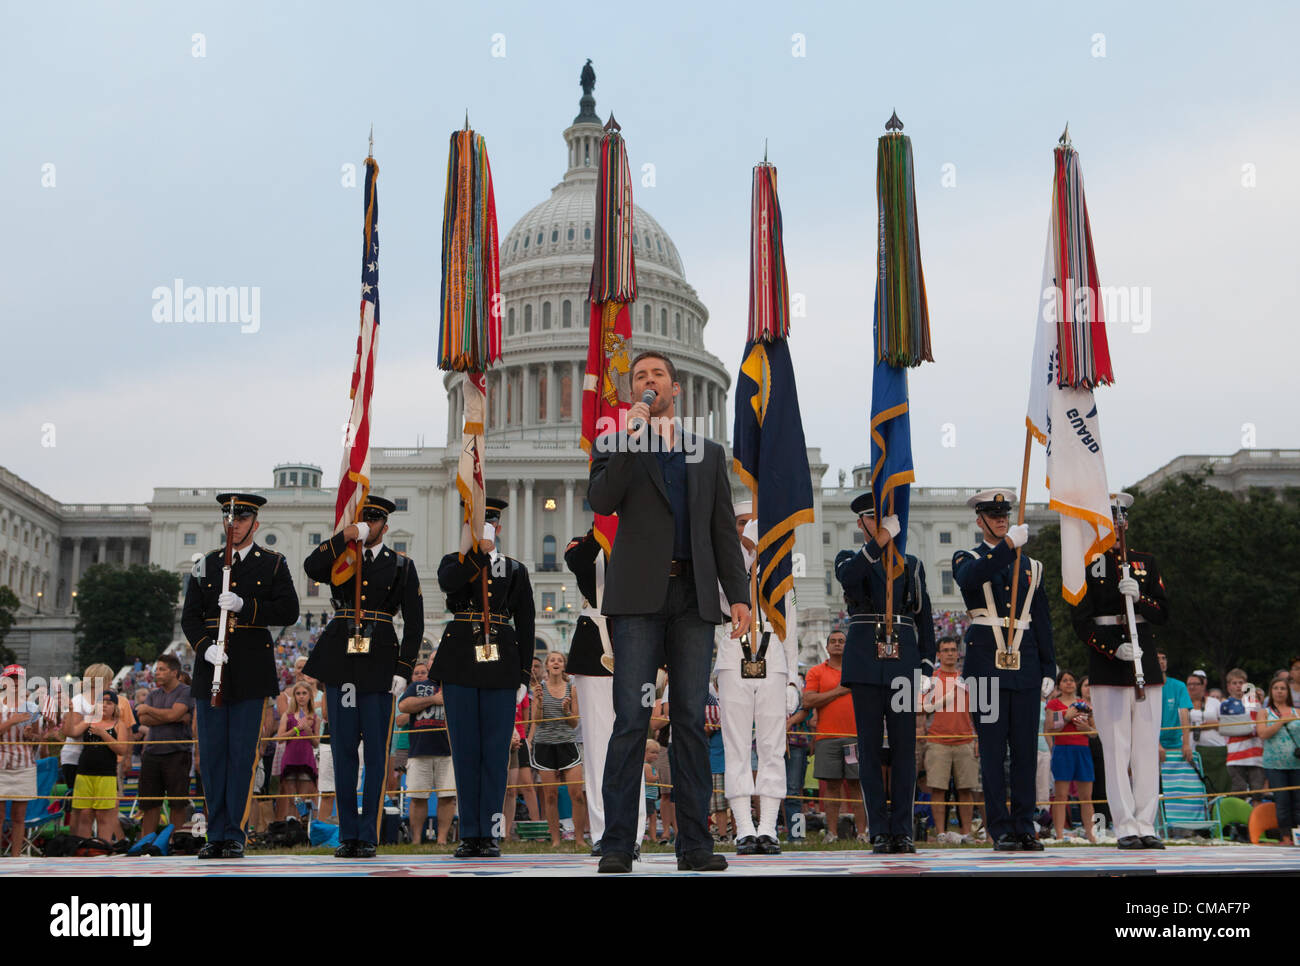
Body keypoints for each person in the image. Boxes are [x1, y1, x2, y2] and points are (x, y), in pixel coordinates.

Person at [587, 350, 750, 874]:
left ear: (676, 389)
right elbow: (603, 501)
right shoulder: (615, 442)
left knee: (689, 719)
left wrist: (739, 593)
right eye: (640, 376)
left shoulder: (708, 453)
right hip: (637, 602)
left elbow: (723, 530)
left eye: (658, 375)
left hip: (693, 601)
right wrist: (632, 440)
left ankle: (696, 844)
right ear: (632, 389)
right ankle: (617, 843)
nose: (649, 382)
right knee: (632, 720)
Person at [304, 495, 422, 858]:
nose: (368, 527)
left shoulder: (401, 565)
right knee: (342, 749)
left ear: (385, 526)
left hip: (379, 659)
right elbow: (312, 567)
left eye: (373, 522)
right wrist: (344, 536)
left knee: (375, 750)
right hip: (341, 656)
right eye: (363, 521)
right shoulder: (343, 558)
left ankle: (367, 833)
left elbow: (415, 622)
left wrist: (404, 669)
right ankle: (348, 833)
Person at [183, 493, 300, 859]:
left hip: (249, 669)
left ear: (255, 523)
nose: (233, 524)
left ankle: (235, 832)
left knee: (242, 756)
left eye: (241, 518)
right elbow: (189, 617)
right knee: (213, 756)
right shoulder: (206, 565)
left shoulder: (272, 564)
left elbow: (289, 610)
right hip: (211, 670)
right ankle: (213, 833)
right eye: (228, 517)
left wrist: (245, 607)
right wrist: (204, 647)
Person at [953, 488, 1056, 852]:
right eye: (993, 516)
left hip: (1025, 664)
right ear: (979, 520)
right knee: (994, 752)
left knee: (1026, 751)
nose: (1001, 520)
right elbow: (971, 579)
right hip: (985, 665)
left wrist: (1049, 667)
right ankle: (1000, 828)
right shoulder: (968, 556)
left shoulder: (1033, 567)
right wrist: (1007, 547)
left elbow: (1042, 621)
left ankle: (1025, 825)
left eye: (1005, 515)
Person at [432, 497, 534, 859]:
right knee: (465, 751)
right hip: (461, 661)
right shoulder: (454, 563)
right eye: (477, 524)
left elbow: (526, 623)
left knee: (494, 753)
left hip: (501, 664)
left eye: (489, 524)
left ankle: (490, 833)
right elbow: (449, 586)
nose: (485, 529)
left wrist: (523, 674)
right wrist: (474, 552)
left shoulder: (515, 570)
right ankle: (469, 832)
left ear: (499, 528)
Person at [835, 489, 936, 854]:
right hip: (865, 660)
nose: (880, 526)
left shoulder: (912, 564)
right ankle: (878, 828)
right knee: (869, 749)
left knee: (905, 748)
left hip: (903, 662)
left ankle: (903, 829)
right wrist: (878, 544)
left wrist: (926, 664)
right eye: (872, 520)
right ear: (861, 523)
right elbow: (850, 579)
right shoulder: (850, 558)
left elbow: (923, 619)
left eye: (884, 520)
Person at [1068, 491, 1168, 849]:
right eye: (1112, 515)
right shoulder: (1088, 563)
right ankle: (1125, 824)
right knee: (1116, 750)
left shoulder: (1145, 562)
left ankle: (1146, 823)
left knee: (1144, 748)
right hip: (1109, 665)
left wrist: (1141, 597)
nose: (1118, 521)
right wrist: (1112, 647)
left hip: (1145, 660)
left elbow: (1164, 612)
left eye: (1122, 515)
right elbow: (1081, 621)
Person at [717, 500, 800, 855]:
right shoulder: (722, 564)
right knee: (735, 744)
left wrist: (794, 679)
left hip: (773, 652)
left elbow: (791, 624)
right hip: (734, 652)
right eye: (740, 523)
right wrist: (745, 555)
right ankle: (743, 827)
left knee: (771, 745)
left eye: (754, 524)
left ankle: (768, 827)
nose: (747, 529)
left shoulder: (779, 569)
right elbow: (720, 601)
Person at [562, 529, 644, 854]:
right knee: (597, 748)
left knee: (632, 744)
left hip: (635, 642)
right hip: (594, 645)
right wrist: (601, 531)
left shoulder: (641, 536)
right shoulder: (584, 543)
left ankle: (633, 835)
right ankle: (603, 834)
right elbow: (578, 563)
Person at [804, 630, 867, 842]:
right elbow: (807, 701)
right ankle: (831, 833)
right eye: (834, 641)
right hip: (827, 738)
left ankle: (862, 833)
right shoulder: (816, 672)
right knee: (831, 786)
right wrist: (838, 692)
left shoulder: (859, 670)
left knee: (856, 784)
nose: (837, 644)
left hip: (854, 737)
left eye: (841, 641)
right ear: (827, 647)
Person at [529, 651, 589, 847]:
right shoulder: (540, 688)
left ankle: (579, 838)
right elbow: (536, 721)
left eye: (559, 660)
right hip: (545, 745)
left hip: (567, 745)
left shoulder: (572, 688)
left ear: (564, 666)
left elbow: (573, 723)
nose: (556, 663)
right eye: (552, 660)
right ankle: (555, 839)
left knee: (577, 794)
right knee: (550, 795)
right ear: (547, 666)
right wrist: (538, 703)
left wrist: (566, 711)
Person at [923, 637, 979, 842]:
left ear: (958, 653)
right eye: (945, 650)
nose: (949, 653)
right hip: (937, 741)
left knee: (966, 789)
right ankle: (940, 833)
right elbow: (920, 707)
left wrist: (978, 738)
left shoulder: (967, 680)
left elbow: (977, 713)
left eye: (953, 650)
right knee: (938, 789)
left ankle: (966, 834)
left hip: (965, 740)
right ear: (938, 654)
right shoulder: (930, 679)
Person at [134, 653, 194, 836]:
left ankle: (177, 841)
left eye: (162, 669)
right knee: (149, 803)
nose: (157, 673)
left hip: (177, 751)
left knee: (177, 802)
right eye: (156, 670)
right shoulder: (153, 694)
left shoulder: (186, 691)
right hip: (152, 752)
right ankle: (147, 842)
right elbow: (143, 719)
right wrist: (171, 716)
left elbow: (168, 715)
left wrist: (150, 710)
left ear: (174, 672)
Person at [1, 664, 57, 857]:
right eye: (11, 679)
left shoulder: (32, 708)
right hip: (1, 766)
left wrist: (30, 735)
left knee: (19, 817)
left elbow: (37, 739)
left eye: (18, 679)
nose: (15, 683)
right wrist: (11, 722)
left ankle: (15, 856)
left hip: (24, 765)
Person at [399, 661, 457, 845]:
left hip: (448, 750)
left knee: (447, 796)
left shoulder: (455, 685)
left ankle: (441, 840)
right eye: (434, 659)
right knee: (417, 797)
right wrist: (433, 700)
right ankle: (416, 840)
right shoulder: (418, 686)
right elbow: (404, 706)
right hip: (420, 749)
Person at [68, 690, 128, 843]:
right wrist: (69, 712)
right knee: (85, 813)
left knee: (103, 815)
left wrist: (103, 733)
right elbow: (71, 732)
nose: (105, 706)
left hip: (106, 774)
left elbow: (122, 749)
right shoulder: (89, 720)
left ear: (115, 707)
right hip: (84, 773)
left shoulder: (118, 724)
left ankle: (103, 846)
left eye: (109, 703)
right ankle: (83, 849)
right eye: (102, 702)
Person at [1045, 670, 1097, 843]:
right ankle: (1059, 833)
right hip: (1063, 749)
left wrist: (1086, 729)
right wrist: (1066, 718)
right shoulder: (1053, 704)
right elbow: (1049, 729)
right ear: (1059, 684)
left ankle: (1091, 834)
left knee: (1086, 797)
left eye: (1072, 680)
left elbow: (1095, 733)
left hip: (1082, 750)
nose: (1069, 683)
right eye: (1065, 680)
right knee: (1061, 795)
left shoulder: (1085, 704)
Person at [1257, 674, 1300, 845]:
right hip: (1274, 764)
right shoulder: (1264, 712)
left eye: (1283, 688)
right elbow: (1263, 734)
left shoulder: (1297, 711)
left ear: (1288, 692)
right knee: (1282, 801)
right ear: (1271, 692)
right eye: (1276, 688)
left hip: (1296, 763)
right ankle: (1285, 837)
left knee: (1298, 801)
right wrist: (1281, 721)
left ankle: (1298, 835)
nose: (1279, 692)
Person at [276, 681, 319, 820]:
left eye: (304, 693)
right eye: (298, 693)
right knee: (292, 801)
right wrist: (296, 730)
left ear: (309, 696)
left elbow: (316, 743)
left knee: (303, 799)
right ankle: (292, 827)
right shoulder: (287, 716)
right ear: (294, 696)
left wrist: (307, 730)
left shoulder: (314, 717)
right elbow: (280, 739)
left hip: (306, 761)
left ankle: (301, 827)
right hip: (290, 761)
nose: (301, 697)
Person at [1222, 669, 1266, 800]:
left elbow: (1258, 725)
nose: (1237, 686)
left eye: (1240, 682)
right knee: (1239, 790)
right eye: (1234, 683)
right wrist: (1246, 727)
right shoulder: (1225, 705)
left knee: (1257, 791)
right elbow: (1226, 729)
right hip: (1235, 754)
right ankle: (1239, 820)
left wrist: (1246, 727)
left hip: (1255, 754)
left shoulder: (1255, 703)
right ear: (1228, 686)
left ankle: (1256, 820)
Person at [1187, 670, 1228, 794]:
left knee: (1217, 784)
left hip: (1215, 749)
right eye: (1189, 684)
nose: (1192, 687)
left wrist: (1206, 725)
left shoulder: (1214, 702)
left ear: (1203, 685)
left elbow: (1225, 723)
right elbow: (1179, 726)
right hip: (1191, 750)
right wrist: (1200, 726)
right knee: (1195, 784)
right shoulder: (1182, 702)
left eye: (1196, 684)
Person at [1156, 650, 1193, 765]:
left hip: (1176, 744)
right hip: (1151, 744)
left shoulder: (1179, 686)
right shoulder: (1145, 688)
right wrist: (1156, 744)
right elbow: (1145, 719)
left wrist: (1186, 744)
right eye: (1158, 659)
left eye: (1164, 658)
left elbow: (1184, 714)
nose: (1162, 662)